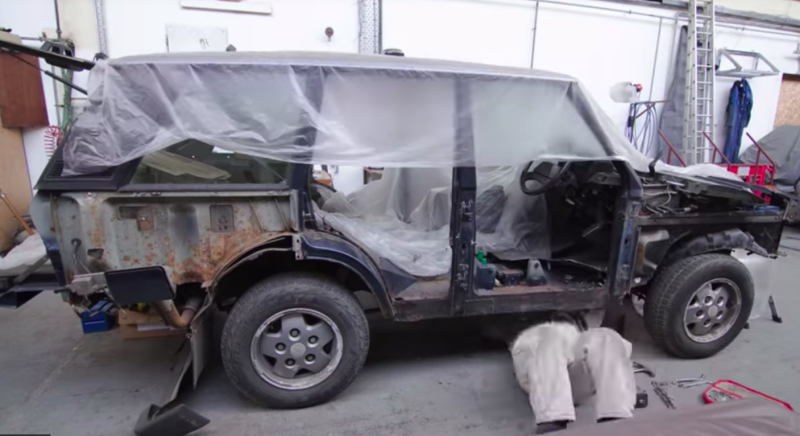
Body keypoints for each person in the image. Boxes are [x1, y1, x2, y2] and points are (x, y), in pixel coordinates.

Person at [510, 321, 636, 434]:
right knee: (548, 339)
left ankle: (617, 420)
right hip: (538, 353)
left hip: (575, 340)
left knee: (606, 336)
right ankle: (552, 423)